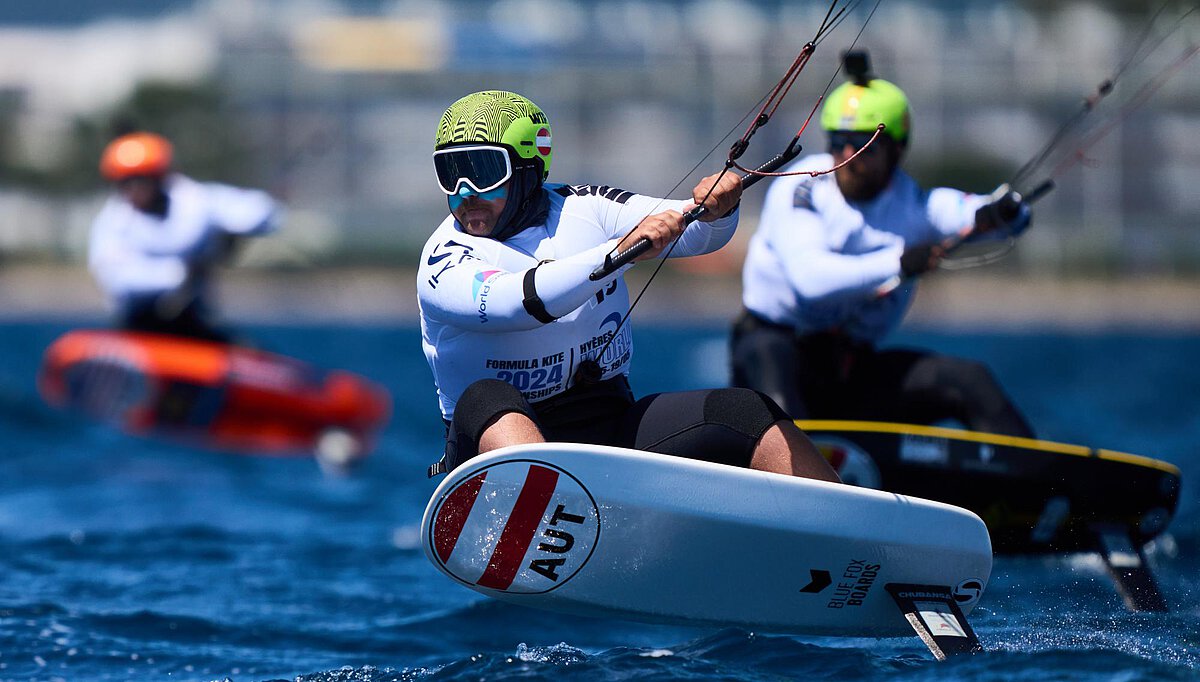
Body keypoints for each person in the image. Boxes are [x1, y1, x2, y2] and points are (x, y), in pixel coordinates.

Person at [419, 90, 838, 483]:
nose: (466, 194)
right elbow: (520, 303)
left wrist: (720, 208)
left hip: (605, 424)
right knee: (486, 397)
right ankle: (551, 506)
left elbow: (694, 233)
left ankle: (850, 529)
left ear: (530, 169)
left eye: (485, 172)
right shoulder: (443, 259)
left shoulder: (586, 207)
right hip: (491, 444)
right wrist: (616, 253)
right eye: (451, 174)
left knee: (745, 411)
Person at [731, 54, 1036, 437]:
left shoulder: (912, 205)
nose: (847, 157)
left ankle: (1041, 488)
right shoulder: (801, 187)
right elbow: (810, 280)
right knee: (772, 362)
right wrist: (901, 261)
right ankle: (794, 476)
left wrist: (1003, 213)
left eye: (864, 146)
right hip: (773, 356)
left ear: (896, 150)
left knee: (969, 380)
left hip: (848, 372)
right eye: (839, 143)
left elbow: (971, 212)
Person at [88, 131, 280, 343]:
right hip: (137, 329)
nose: (134, 189)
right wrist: (179, 273)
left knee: (249, 352)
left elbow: (261, 211)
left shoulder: (194, 202)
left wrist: (238, 229)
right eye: (125, 182)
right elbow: (118, 278)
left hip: (193, 324)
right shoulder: (112, 223)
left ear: (159, 178)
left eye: (141, 179)